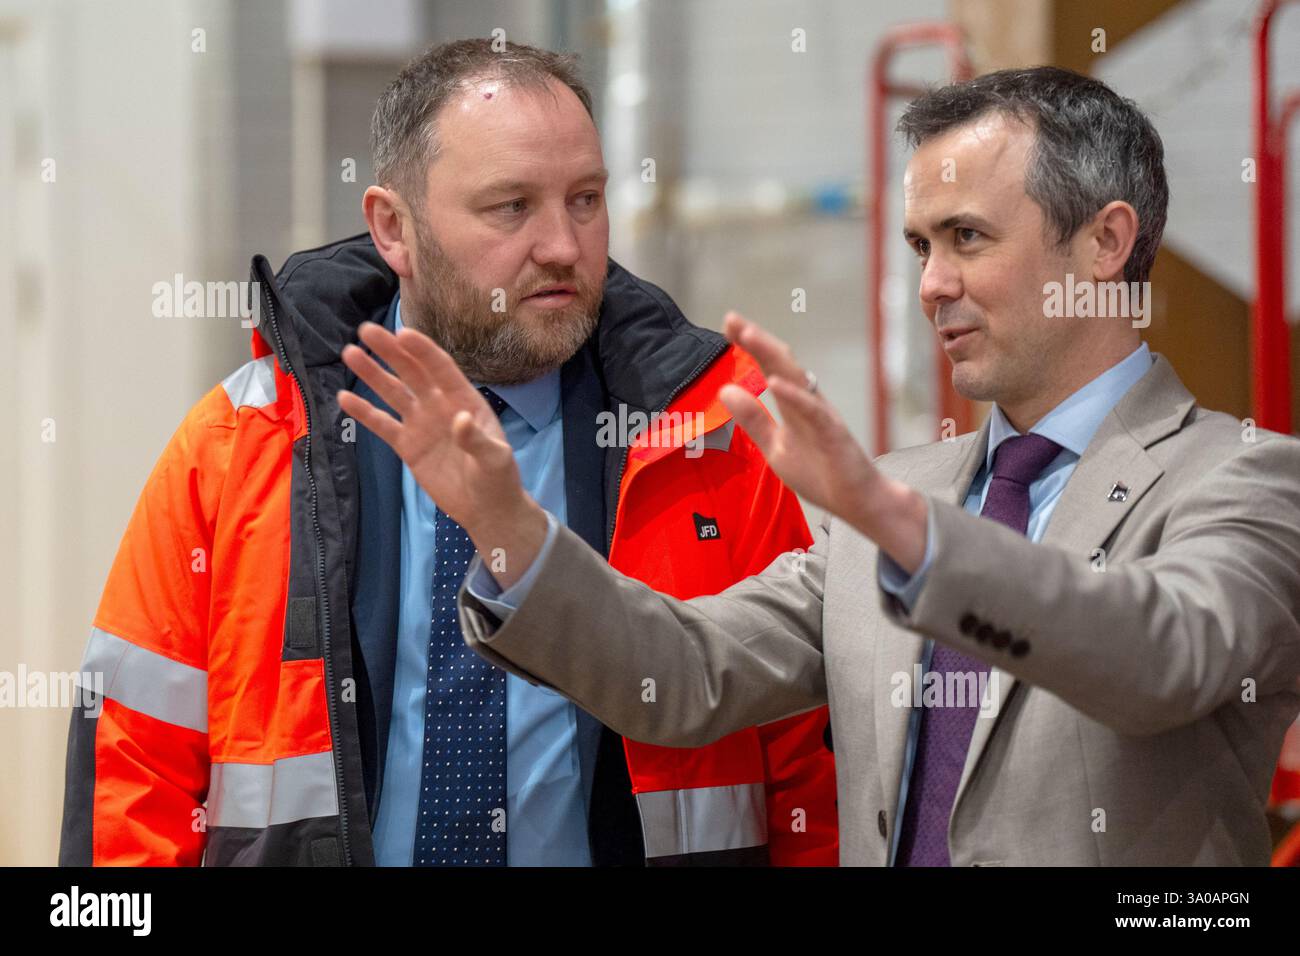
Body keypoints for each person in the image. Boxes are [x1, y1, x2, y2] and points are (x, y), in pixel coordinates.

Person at [338, 66, 1300, 866]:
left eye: (968, 237)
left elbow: (1157, 658)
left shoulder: (1246, 478)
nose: (932, 285)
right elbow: (679, 672)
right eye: (922, 245)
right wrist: (506, 526)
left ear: (1105, 242)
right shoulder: (903, 492)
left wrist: (902, 530)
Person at [58, 39, 838, 867]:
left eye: (586, 199)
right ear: (395, 228)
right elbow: (133, 771)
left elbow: (807, 772)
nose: (564, 246)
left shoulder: (707, 444)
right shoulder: (241, 442)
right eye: (512, 207)